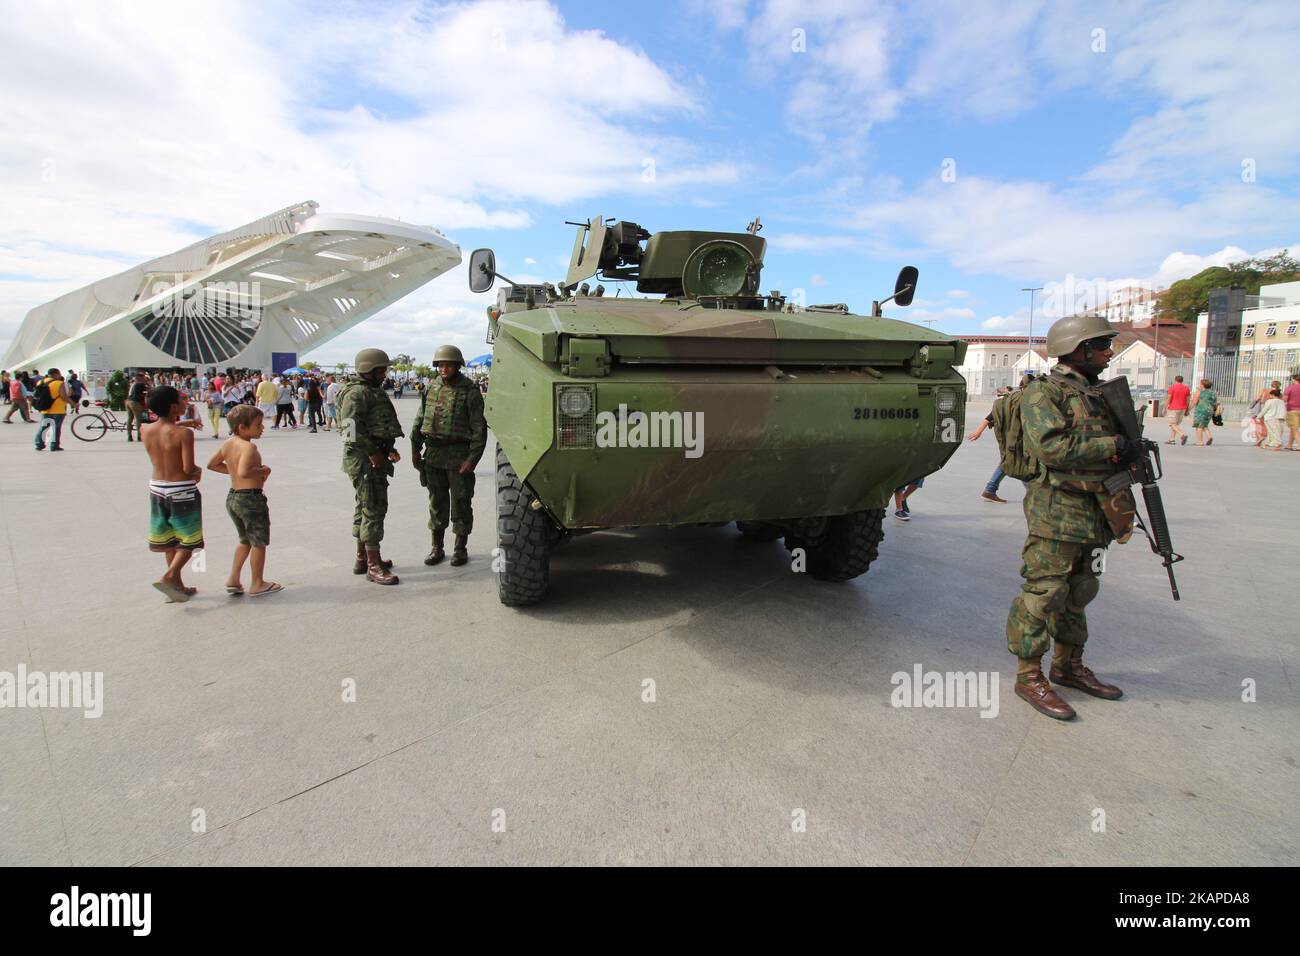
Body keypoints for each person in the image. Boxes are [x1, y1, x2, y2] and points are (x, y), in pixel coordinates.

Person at [1006, 313, 1136, 721]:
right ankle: (1029, 675)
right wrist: (1111, 444)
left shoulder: (1098, 393)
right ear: (1077, 350)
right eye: (1101, 346)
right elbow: (1052, 449)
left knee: (1081, 589)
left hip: (1098, 509)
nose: (1108, 352)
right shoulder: (1044, 393)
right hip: (1056, 512)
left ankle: (1068, 665)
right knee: (1045, 592)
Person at [411, 345, 487, 566]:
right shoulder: (431, 388)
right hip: (433, 454)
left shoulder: (470, 391)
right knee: (437, 502)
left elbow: (478, 429)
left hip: (458, 455)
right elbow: (420, 419)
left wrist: (472, 459)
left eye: (448, 364)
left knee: (461, 502)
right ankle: (437, 547)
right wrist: (415, 449)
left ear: (457, 365)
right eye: (440, 365)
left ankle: (460, 548)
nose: (444, 369)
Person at [337, 348, 403, 584]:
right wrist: (374, 453)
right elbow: (349, 431)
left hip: (370, 457)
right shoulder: (356, 394)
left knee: (364, 507)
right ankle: (373, 566)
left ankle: (362, 558)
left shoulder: (368, 391)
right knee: (373, 509)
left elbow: (376, 426)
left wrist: (388, 449)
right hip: (365, 461)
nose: (385, 373)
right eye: (382, 369)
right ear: (370, 370)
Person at [207, 404, 281, 596]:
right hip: (250, 500)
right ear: (242, 427)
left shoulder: (228, 443)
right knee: (259, 542)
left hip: (233, 497)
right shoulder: (248, 447)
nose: (262, 427)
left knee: (244, 540)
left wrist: (233, 472)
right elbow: (244, 471)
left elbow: (212, 464)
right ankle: (257, 583)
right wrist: (263, 471)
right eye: (258, 425)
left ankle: (233, 578)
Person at [142, 385, 204, 603]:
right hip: (181, 490)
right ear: (173, 407)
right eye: (182, 399)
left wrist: (182, 422)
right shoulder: (184, 434)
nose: (186, 402)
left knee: (169, 540)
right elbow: (188, 468)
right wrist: (199, 472)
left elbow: (165, 429)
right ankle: (169, 577)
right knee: (189, 540)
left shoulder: (145, 430)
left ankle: (177, 586)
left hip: (157, 488)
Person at [968, 373, 1036, 502]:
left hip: (1012, 438)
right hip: (1016, 439)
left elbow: (990, 417)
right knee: (1019, 463)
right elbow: (991, 416)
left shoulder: (1012, 399)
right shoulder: (1019, 400)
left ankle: (990, 490)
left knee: (1008, 461)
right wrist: (978, 431)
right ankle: (1033, 494)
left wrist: (979, 431)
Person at [32, 368, 69, 452]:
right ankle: (54, 446)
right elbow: (64, 396)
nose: (60, 376)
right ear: (55, 374)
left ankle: (39, 444)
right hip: (58, 410)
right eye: (59, 374)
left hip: (45, 409)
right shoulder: (59, 383)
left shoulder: (40, 382)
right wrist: (73, 404)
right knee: (56, 428)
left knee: (44, 427)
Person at [1190, 378, 1217, 446]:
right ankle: (1209, 437)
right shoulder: (1214, 393)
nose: (1200, 385)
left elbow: (1194, 402)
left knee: (1199, 426)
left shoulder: (1199, 392)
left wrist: (1188, 410)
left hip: (1201, 410)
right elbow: (1215, 403)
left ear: (1203, 385)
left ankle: (1199, 441)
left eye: (1201, 384)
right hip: (1210, 411)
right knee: (1204, 425)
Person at [1165, 374, 1190, 445]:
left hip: (1174, 408)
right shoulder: (1186, 388)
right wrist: (1187, 409)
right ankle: (1172, 439)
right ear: (1182, 380)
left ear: (1175, 380)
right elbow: (1188, 400)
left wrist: (1165, 407)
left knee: (1172, 423)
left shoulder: (1172, 387)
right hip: (1183, 408)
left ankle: (1182, 435)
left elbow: (1169, 398)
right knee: (1175, 424)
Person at [125, 372, 150, 442]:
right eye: (143, 377)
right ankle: (139, 437)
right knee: (138, 420)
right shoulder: (141, 384)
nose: (144, 378)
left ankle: (129, 436)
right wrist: (147, 384)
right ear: (141, 377)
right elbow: (148, 391)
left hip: (128, 401)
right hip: (135, 402)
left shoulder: (133, 383)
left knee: (130, 419)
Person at [1285, 373, 1300, 451]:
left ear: (1294, 379)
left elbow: (1285, 399)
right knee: (1293, 428)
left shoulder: (1290, 388)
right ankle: (1289, 444)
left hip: (1292, 410)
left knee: (1294, 428)